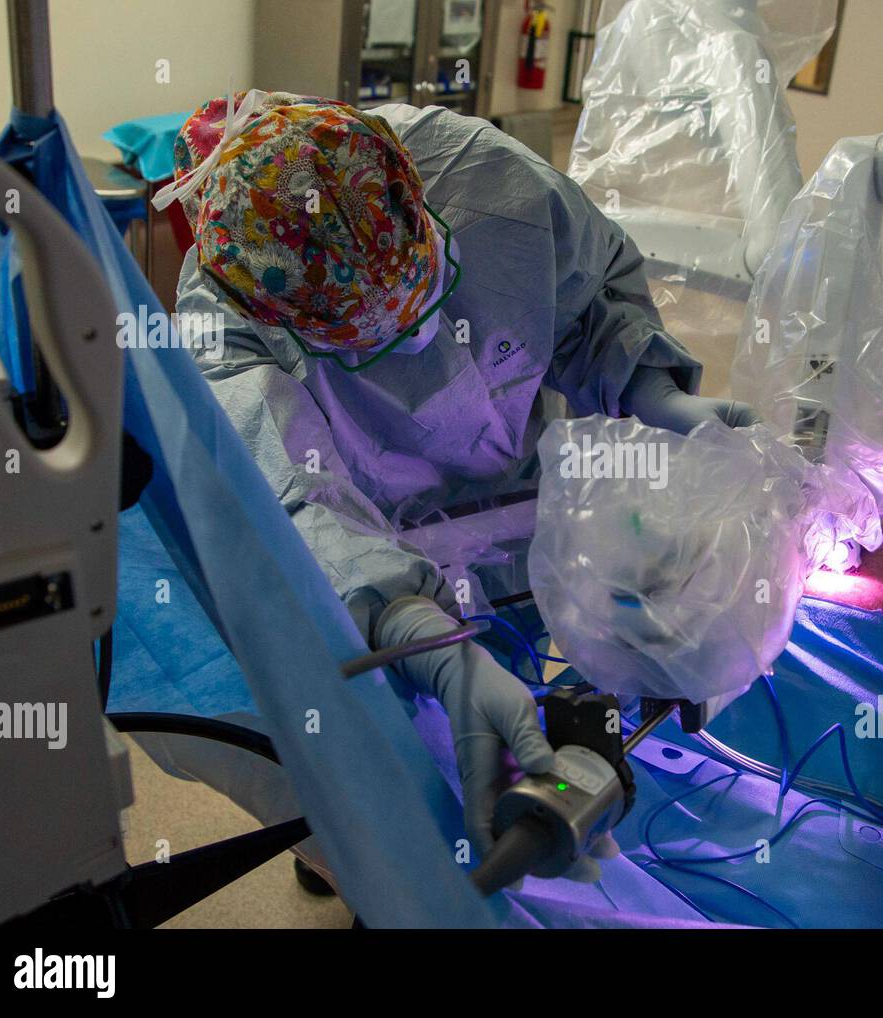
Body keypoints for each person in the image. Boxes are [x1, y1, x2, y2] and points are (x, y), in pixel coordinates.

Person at [157, 90, 758, 873]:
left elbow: (582, 307)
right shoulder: (222, 318)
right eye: (376, 339)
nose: (424, 344)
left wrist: (651, 387)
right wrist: (404, 621)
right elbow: (284, 496)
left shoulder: (485, 175)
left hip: (509, 499)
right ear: (277, 311)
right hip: (372, 523)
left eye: (424, 296)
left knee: (513, 684)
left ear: (414, 192)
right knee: (387, 747)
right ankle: (370, 863)